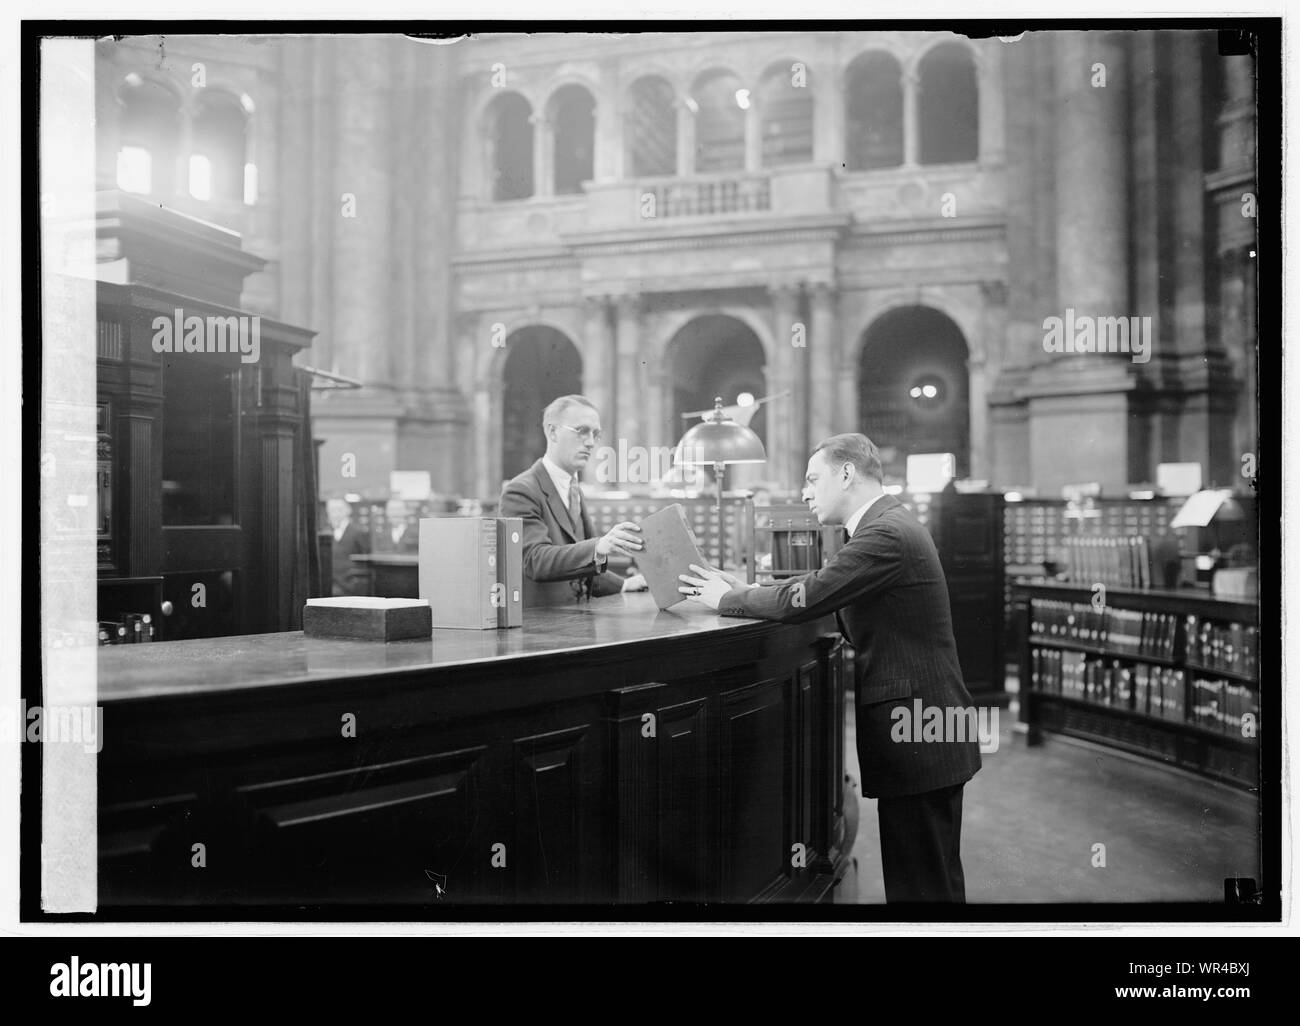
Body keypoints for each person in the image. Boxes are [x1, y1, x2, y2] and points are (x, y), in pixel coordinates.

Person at [679, 432, 981, 902]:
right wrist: (746, 588)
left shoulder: (883, 533)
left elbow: (815, 592)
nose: (803, 492)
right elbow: (824, 583)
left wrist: (731, 599)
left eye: (812, 479)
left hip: (920, 735)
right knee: (929, 877)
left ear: (846, 474)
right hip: (928, 730)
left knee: (922, 885)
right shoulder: (886, 523)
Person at [499, 395, 647, 607]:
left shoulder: (574, 489)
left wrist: (623, 585)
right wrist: (598, 546)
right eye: (581, 431)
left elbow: (582, 568)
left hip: (579, 625)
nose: (590, 442)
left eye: (595, 434)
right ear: (552, 431)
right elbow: (534, 560)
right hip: (542, 630)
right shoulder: (521, 491)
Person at [326, 497, 371, 596]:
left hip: (351, 587)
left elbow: (366, 560)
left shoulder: (358, 532)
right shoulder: (326, 534)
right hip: (329, 586)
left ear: (348, 511)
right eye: (332, 510)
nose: (335, 514)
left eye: (339, 509)